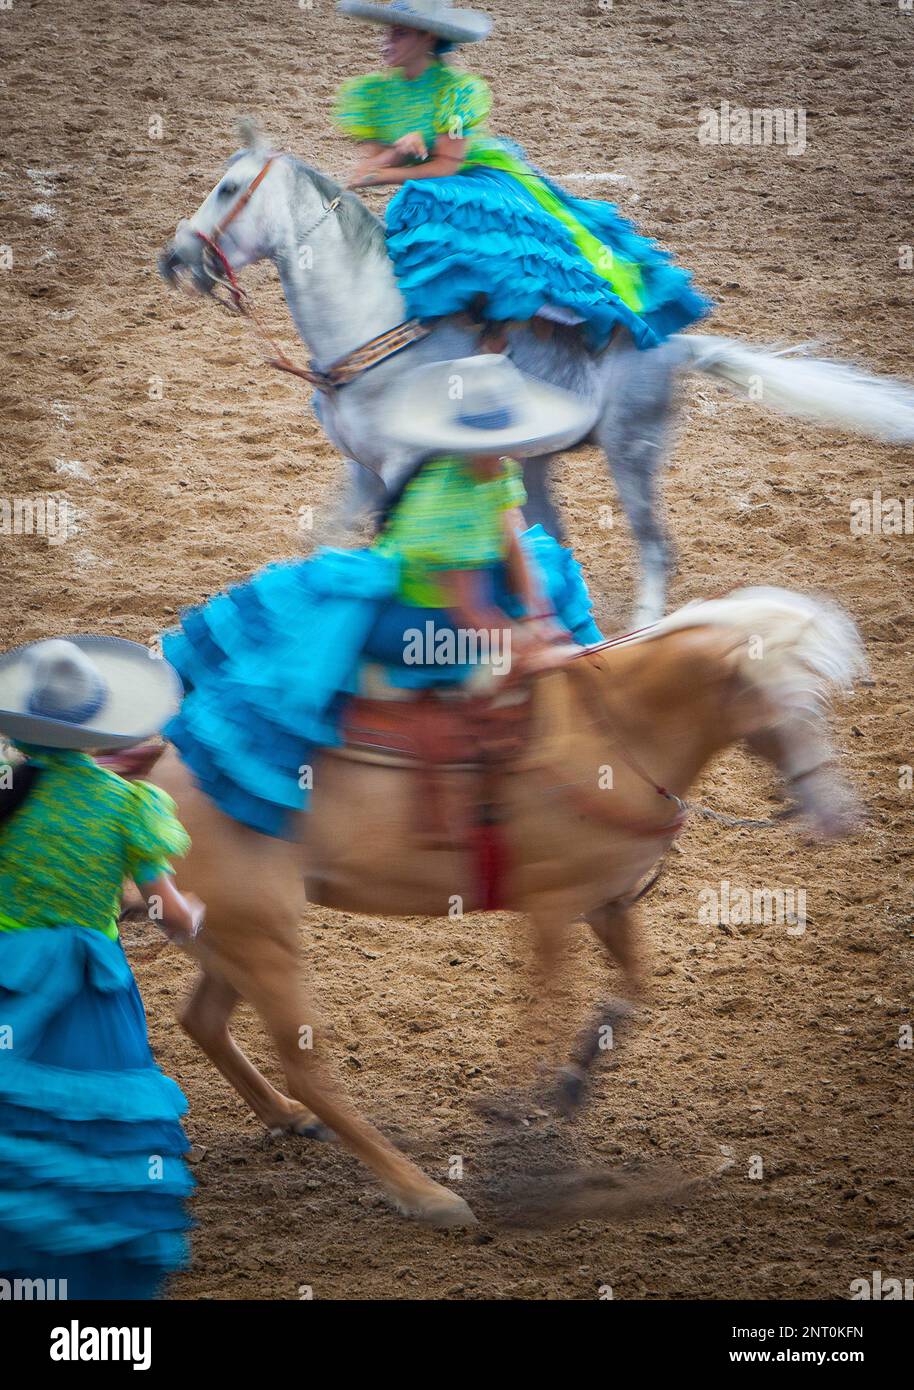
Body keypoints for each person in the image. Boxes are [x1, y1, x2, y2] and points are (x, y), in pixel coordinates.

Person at [163, 355, 603, 839]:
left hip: (470, 583)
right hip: (421, 614)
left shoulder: (494, 468)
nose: (508, 453)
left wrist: (540, 614)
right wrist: (528, 644)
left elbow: (514, 536)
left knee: (551, 574)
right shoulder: (445, 499)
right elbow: (471, 610)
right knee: (489, 663)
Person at [0, 637, 201, 1299]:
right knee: (99, 1136)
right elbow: (168, 915)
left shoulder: (9, 796)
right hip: (90, 985)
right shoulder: (125, 806)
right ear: (96, 726)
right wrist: (191, 916)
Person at [334, 0, 710, 351]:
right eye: (388, 32)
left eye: (398, 33)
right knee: (421, 208)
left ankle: (515, 324)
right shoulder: (372, 95)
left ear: (426, 37)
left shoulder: (457, 91)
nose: (387, 42)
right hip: (426, 189)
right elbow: (364, 174)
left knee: (483, 230)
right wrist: (398, 151)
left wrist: (400, 164)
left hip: (478, 175)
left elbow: (447, 166)